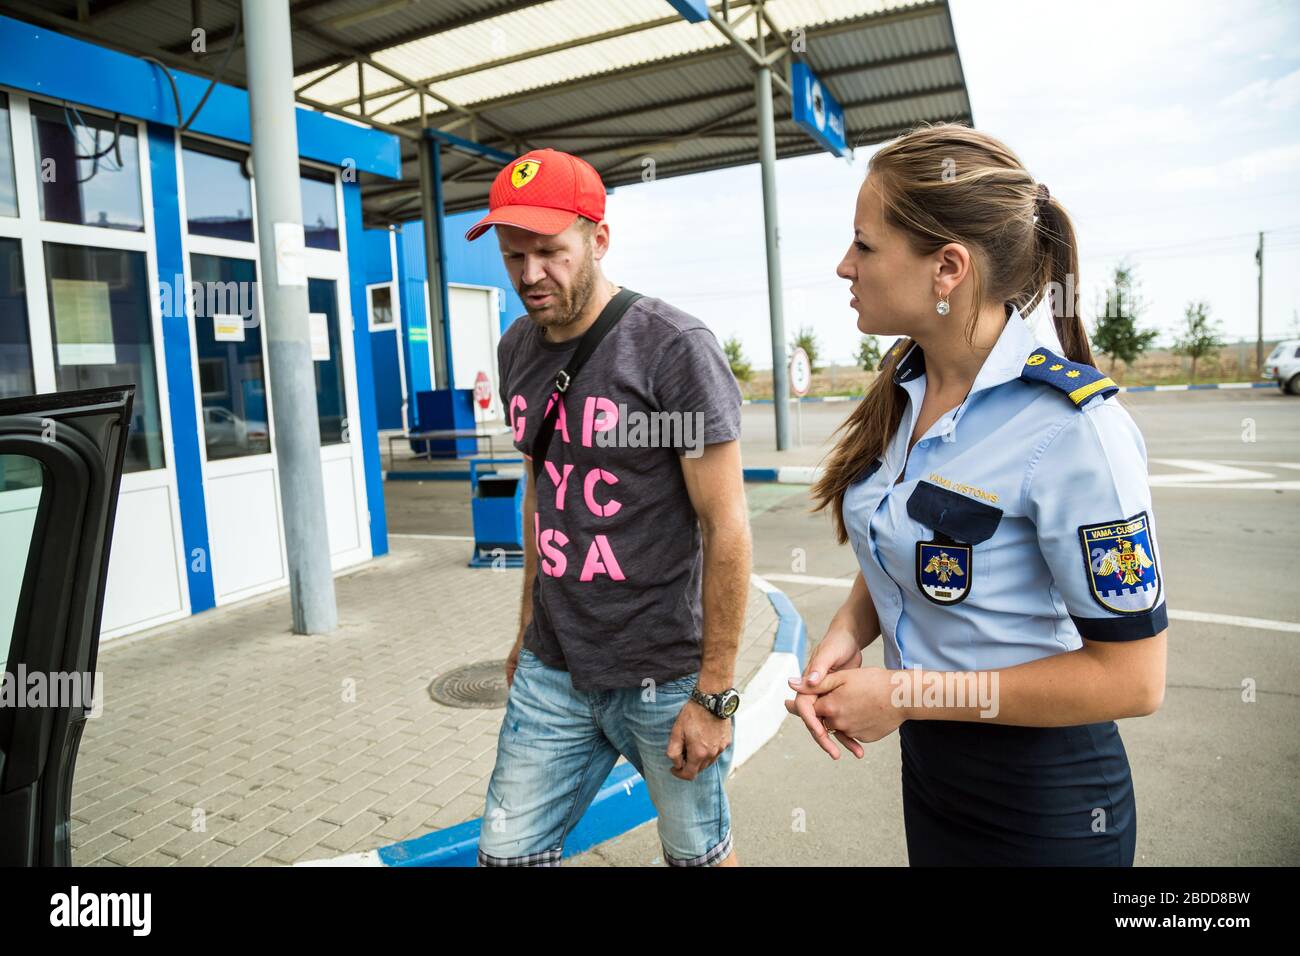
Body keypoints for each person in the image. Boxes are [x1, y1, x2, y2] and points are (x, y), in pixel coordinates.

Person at [790, 124, 1168, 866]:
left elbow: (1132, 679)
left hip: (1045, 808)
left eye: (864, 245)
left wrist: (904, 693)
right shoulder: (906, 388)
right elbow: (901, 547)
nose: (844, 266)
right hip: (935, 780)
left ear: (948, 268)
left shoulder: (1074, 430)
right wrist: (846, 634)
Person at [466, 148, 751, 867]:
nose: (530, 275)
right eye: (513, 257)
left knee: (700, 858)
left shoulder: (671, 348)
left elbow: (725, 528)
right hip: (553, 668)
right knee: (505, 854)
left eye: (550, 253)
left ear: (598, 240)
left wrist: (714, 695)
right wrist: (526, 627)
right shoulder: (515, 349)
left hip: (665, 673)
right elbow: (542, 496)